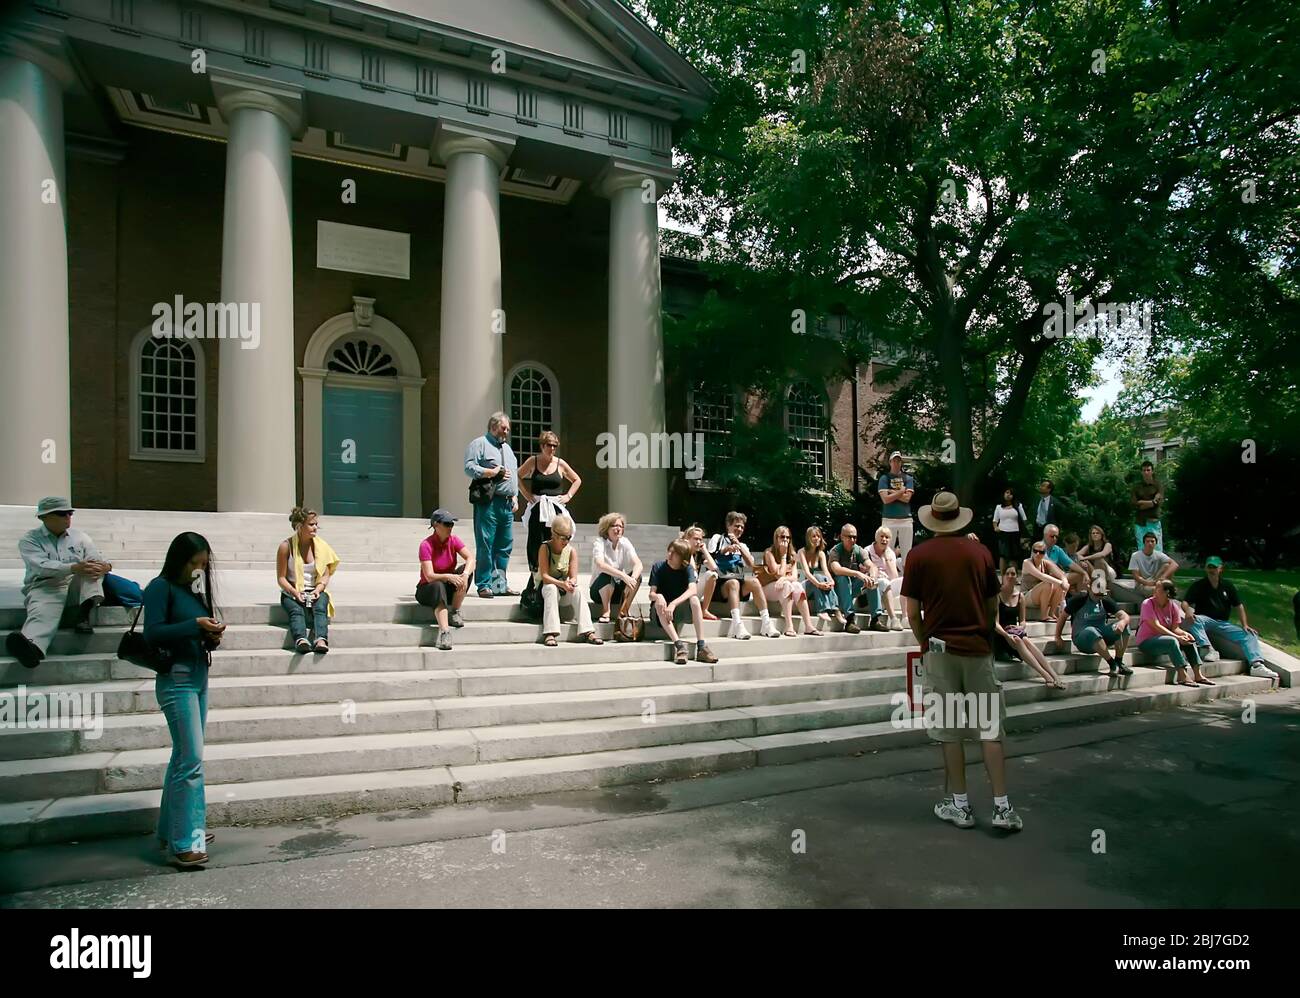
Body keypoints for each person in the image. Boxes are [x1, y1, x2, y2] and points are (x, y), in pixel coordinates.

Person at [902, 491, 1021, 832]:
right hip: (977, 649)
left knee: (950, 732)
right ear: (959, 518)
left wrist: (926, 641)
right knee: (990, 730)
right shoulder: (980, 553)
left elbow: (912, 612)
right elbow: (993, 605)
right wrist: (984, 633)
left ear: (932, 520)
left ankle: (960, 805)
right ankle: (1002, 807)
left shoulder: (918, 556)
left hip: (940, 650)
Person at [145, 532, 225, 869]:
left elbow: (197, 635)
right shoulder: (159, 588)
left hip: (198, 674)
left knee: (183, 757)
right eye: (194, 563)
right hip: (176, 679)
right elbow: (153, 632)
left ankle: (173, 828)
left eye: (202, 565)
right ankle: (185, 840)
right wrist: (193, 624)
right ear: (179, 559)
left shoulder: (194, 593)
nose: (197, 571)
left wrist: (211, 634)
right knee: (191, 759)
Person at [6, 497, 110, 670]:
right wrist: (74, 567)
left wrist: (105, 566)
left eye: (69, 513)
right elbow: (41, 567)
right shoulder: (30, 540)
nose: (67, 517)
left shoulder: (80, 537)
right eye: (62, 514)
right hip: (45, 585)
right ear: (44, 517)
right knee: (42, 613)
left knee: (91, 570)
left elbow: (96, 558)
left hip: (76, 586)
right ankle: (33, 648)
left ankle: (84, 612)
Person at [1182, 557, 1280, 688]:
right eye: (1209, 567)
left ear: (1220, 569)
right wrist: (1187, 611)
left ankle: (1256, 665)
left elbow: (1239, 606)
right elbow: (1185, 602)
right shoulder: (1199, 585)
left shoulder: (1227, 586)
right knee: (1195, 619)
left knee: (1249, 635)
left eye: (1215, 567)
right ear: (1206, 568)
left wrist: (1244, 625)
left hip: (1223, 623)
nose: (1212, 570)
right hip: (1205, 620)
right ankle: (1208, 649)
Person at [517, 430, 582, 601]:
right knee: (535, 544)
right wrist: (526, 495)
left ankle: (556, 576)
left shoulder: (560, 464)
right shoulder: (533, 461)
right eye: (549, 445)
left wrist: (568, 496)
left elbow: (577, 480)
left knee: (556, 542)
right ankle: (536, 580)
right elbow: (518, 476)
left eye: (554, 446)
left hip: (555, 510)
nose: (552, 449)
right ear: (542, 445)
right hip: (538, 509)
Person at [464, 411, 519, 598]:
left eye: (508, 429)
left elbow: (514, 476)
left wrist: (515, 496)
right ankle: (484, 584)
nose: (507, 432)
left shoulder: (508, 449)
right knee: (486, 544)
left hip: (506, 504)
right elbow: (469, 467)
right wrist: (491, 472)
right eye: (504, 428)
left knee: (505, 545)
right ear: (493, 426)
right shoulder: (479, 444)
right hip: (488, 503)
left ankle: (499, 585)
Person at [706, 511, 781, 639]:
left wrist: (739, 546)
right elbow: (709, 556)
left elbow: (751, 564)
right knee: (733, 583)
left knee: (755, 582)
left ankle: (766, 623)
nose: (739, 529)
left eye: (741, 527)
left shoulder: (743, 545)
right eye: (736, 526)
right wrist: (725, 550)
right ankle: (737, 625)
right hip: (719, 585)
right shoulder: (717, 538)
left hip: (737, 583)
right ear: (728, 526)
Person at [275, 507, 339, 655]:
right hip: (292, 591)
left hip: (315, 589)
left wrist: (318, 589)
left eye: (316, 524)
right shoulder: (286, 546)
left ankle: (321, 639)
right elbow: (281, 578)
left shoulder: (321, 546)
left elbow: (326, 572)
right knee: (296, 611)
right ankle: (301, 639)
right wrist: (294, 592)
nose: (315, 527)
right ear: (299, 526)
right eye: (311, 524)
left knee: (321, 606)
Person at [536, 513, 603, 648]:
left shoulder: (571, 551)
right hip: (546, 592)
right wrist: (561, 583)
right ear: (554, 534)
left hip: (563, 591)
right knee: (551, 588)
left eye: (568, 537)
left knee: (577, 589)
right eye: (563, 537)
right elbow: (544, 576)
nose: (566, 541)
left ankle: (588, 631)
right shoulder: (545, 548)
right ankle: (550, 632)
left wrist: (570, 583)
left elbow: (573, 576)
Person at [994, 566, 1066, 689]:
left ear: (1017, 577)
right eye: (1008, 574)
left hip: (1015, 631)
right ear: (1003, 577)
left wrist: (1021, 628)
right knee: (1018, 639)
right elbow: (995, 624)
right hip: (1001, 636)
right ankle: (1045, 676)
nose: (1010, 576)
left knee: (1025, 640)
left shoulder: (1020, 596)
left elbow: (1022, 621)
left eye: (1013, 574)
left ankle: (1054, 675)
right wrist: (1007, 636)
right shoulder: (997, 596)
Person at [648, 537, 719, 664]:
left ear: (682, 557)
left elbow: (693, 590)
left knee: (695, 600)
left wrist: (674, 603)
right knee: (659, 602)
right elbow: (651, 594)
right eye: (669, 551)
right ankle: (679, 646)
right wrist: (658, 596)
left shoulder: (687, 569)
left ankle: (701, 646)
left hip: (679, 610)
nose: (670, 555)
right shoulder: (658, 567)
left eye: (674, 553)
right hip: (660, 614)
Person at [416, 509, 475, 651]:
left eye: (452, 524)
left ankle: (454, 611)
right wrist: (448, 576)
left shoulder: (454, 540)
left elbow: (471, 558)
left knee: (465, 571)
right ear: (436, 525)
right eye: (447, 524)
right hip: (428, 589)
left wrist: (465, 575)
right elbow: (429, 575)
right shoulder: (426, 545)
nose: (450, 527)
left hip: (447, 585)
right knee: (437, 586)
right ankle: (444, 632)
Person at [1052, 572, 1133, 676]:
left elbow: (1125, 616)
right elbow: (1063, 617)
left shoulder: (1105, 600)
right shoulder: (1079, 599)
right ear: (1089, 587)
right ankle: (1112, 664)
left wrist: (1122, 622)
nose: (1098, 597)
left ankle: (1119, 662)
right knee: (1091, 631)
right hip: (1083, 638)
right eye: (1096, 594)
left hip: (1101, 636)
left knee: (1125, 626)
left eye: (1101, 594)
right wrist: (1058, 636)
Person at [1135, 580, 1212, 686]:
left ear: (1166, 592)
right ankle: (1182, 675)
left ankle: (1198, 674)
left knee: (1188, 638)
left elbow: (1175, 628)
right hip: (1146, 642)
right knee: (1173, 640)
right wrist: (1177, 637)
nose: (1154, 590)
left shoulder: (1172, 606)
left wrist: (1185, 634)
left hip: (1165, 639)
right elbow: (1157, 626)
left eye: (1158, 588)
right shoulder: (1147, 603)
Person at [757, 526, 820, 636]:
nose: (785, 540)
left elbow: (794, 577)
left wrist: (784, 578)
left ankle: (808, 625)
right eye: (782, 537)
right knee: (787, 585)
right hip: (765, 589)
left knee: (797, 585)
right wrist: (783, 556)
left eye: (788, 537)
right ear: (776, 538)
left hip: (783, 586)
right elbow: (778, 574)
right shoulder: (769, 553)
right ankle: (789, 626)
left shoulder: (792, 554)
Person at [828, 524, 889, 633]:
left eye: (854, 537)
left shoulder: (858, 550)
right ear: (842, 537)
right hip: (837, 590)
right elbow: (836, 569)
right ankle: (850, 620)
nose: (852, 540)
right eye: (849, 537)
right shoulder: (835, 551)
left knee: (871, 580)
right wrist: (857, 573)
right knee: (843, 578)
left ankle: (875, 619)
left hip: (852, 588)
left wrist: (872, 577)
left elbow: (872, 566)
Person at [590, 512, 643, 630]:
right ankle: (606, 611)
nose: (618, 529)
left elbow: (638, 564)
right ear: (606, 528)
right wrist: (623, 576)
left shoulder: (625, 542)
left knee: (638, 577)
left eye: (620, 526)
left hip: (617, 590)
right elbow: (600, 564)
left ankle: (624, 610)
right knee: (607, 575)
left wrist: (632, 579)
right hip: (599, 590)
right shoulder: (599, 542)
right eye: (614, 526)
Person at [877, 450, 916, 566]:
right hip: (889, 519)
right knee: (887, 552)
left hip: (906, 520)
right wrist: (901, 491)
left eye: (899, 460)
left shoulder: (908, 478)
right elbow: (885, 499)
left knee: (907, 553)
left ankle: (905, 578)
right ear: (890, 462)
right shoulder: (884, 478)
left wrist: (892, 492)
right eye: (894, 460)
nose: (896, 463)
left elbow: (907, 499)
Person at [797, 526, 839, 626]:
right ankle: (822, 610)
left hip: (814, 585)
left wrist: (831, 581)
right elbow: (807, 573)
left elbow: (826, 571)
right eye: (814, 536)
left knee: (824, 578)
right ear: (808, 538)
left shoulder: (821, 554)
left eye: (819, 536)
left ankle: (835, 608)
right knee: (819, 578)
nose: (817, 539)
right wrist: (819, 585)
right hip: (801, 587)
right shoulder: (802, 552)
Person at [868, 525, 906, 631]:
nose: (884, 539)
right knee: (884, 582)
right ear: (876, 537)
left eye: (887, 537)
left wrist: (886, 559)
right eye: (882, 536)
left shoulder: (891, 553)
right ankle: (894, 619)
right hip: (873, 585)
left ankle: (905, 617)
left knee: (906, 581)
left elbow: (894, 576)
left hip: (888, 585)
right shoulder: (867, 551)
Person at [1020, 541, 1069, 621]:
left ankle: (1052, 613)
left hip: (1042, 596)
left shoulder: (1046, 563)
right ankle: (1044, 615)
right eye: (1035, 551)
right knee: (1049, 583)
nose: (1038, 554)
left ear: (1045, 553)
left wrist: (1064, 582)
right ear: (1032, 551)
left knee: (1057, 584)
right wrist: (1061, 583)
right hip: (1026, 595)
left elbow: (1062, 575)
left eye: (1041, 552)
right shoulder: (1027, 562)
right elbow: (1041, 575)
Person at [683, 525, 721, 620]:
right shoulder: (681, 551)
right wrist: (688, 550)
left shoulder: (698, 554)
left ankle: (704, 610)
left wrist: (704, 550)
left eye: (700, 539)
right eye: (695, 539)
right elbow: (692, 570)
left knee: (712, 574)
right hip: (683, 591)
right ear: (687, 539)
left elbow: (714, 567)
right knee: (696, 575)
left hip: (693, 590)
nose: (698, 542)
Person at [1127, 531, 1179, 597]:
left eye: (1152, 541)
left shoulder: (1159, 554)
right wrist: (1148, 583)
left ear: (1155, 543)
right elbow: (1136, 576)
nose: (1150, 543)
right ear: (1144, 543)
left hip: (1156, 580)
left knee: (1167, 565)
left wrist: (1162, 577)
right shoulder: (1135, 556)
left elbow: (1175, 565)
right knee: (1160, 590)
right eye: (1147, 541)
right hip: (1142, 584)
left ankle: (1166, 590)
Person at [991, 488, 1029, 572]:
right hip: (1003, 532)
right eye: (1007, 493)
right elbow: (995, 520)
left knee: (1014, 556)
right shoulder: (999, 507)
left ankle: (1013, 575)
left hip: (1015, 532)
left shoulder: (1018, 506)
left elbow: (1024, 519)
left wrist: (1023, 532)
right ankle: (1003, 575)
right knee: (1003, 555)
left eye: (1010, 494)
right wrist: (995, 527)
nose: (1008, 495)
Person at [1043, 524, 1088, 591]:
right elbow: (1049, 565)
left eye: (1056, 537)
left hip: (1058, 577)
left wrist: (1084, 572)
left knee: (1080, 575)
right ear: (1045, 535)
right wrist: (1063, 575)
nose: (1054, 539)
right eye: (1052, 536)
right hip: (1043, 578)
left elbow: (1071, 563)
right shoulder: (1038, 547)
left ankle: (1080, 598)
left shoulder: (1057, 549)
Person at [1132, 460, 1165, 553]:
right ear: (1141, 472)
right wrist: (1152, 502)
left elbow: (1158, 501)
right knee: (1142, 549)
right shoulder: (1137, 487)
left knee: (1157, 549)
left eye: (1148, 470)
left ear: (1152, 471)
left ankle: (1158, 568)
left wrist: (1142, 503)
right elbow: (1134, 504)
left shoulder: (1158, 485)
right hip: (1140, 522)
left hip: (1154, 521)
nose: (1146, 472)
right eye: (1144, 470)